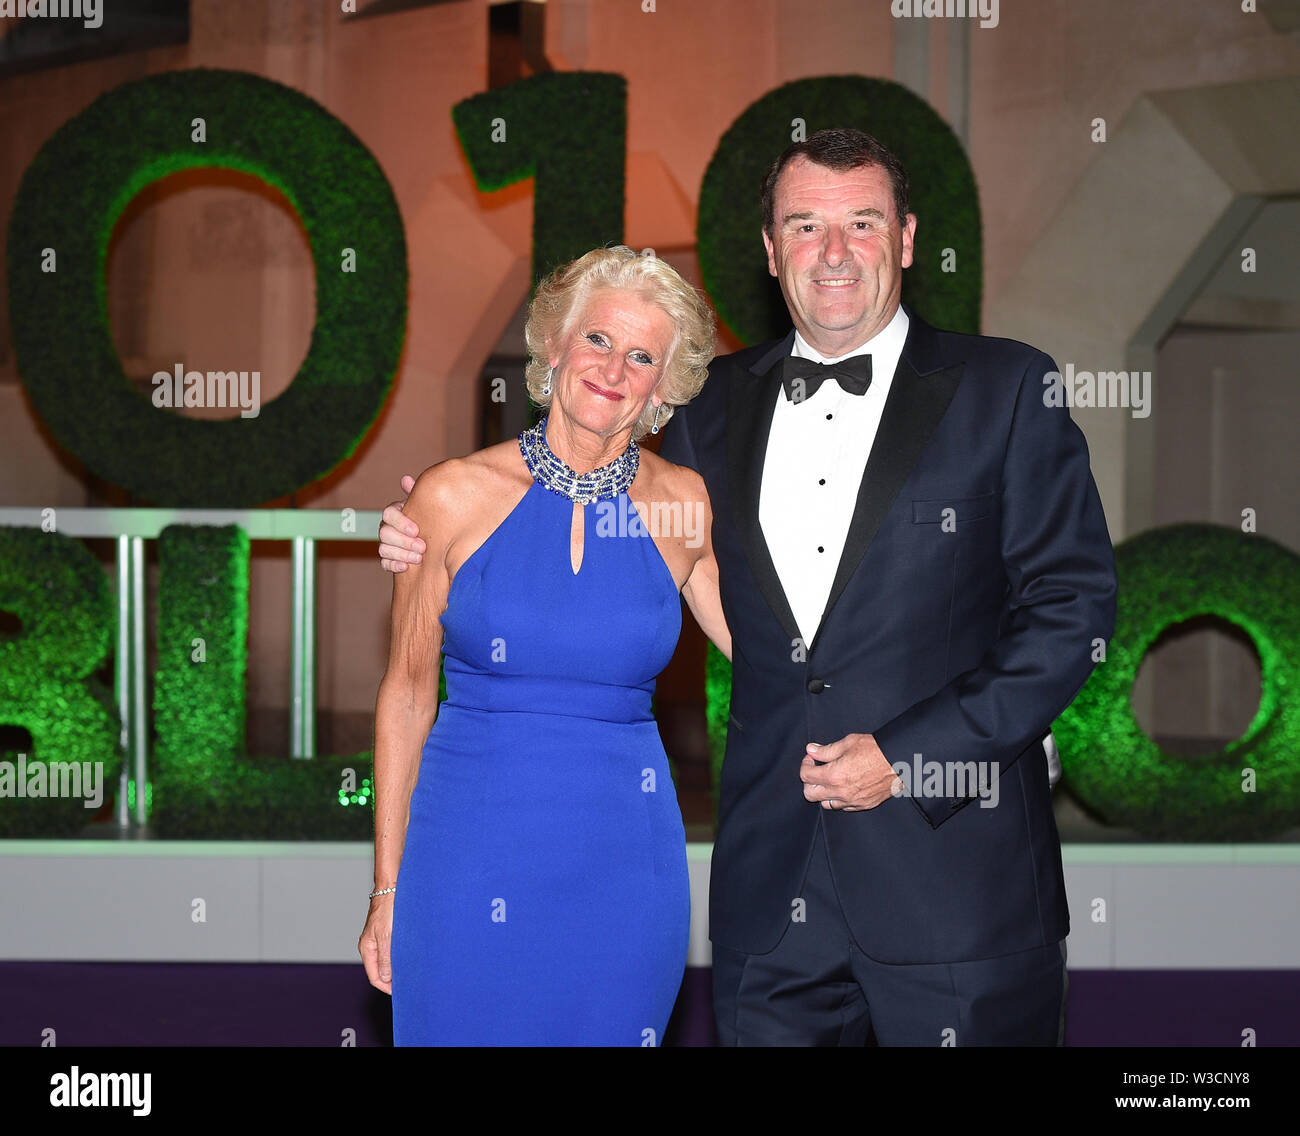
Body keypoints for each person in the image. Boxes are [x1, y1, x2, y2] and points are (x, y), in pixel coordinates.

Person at [379, 130, 1117, 1046]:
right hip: (769, 912)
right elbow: (585, 482)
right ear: (771, 251)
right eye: (806, 226)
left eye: (862, 223)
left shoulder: (1008, 388)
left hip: (956, 888)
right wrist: (425, 517)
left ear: (909, 238)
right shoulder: (707, 413)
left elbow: (1071, 612)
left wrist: (911, 752)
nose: (835, 252)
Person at [360, 246, 725, 1046]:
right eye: (596, 340)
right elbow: (408, 693)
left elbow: (781, 657)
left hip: (627, 864)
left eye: (642, 356)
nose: (614, 369)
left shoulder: (680, 505)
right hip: (467, 850)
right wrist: (388, 890)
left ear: (665, 387)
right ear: (553, 346)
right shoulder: (451, 495)